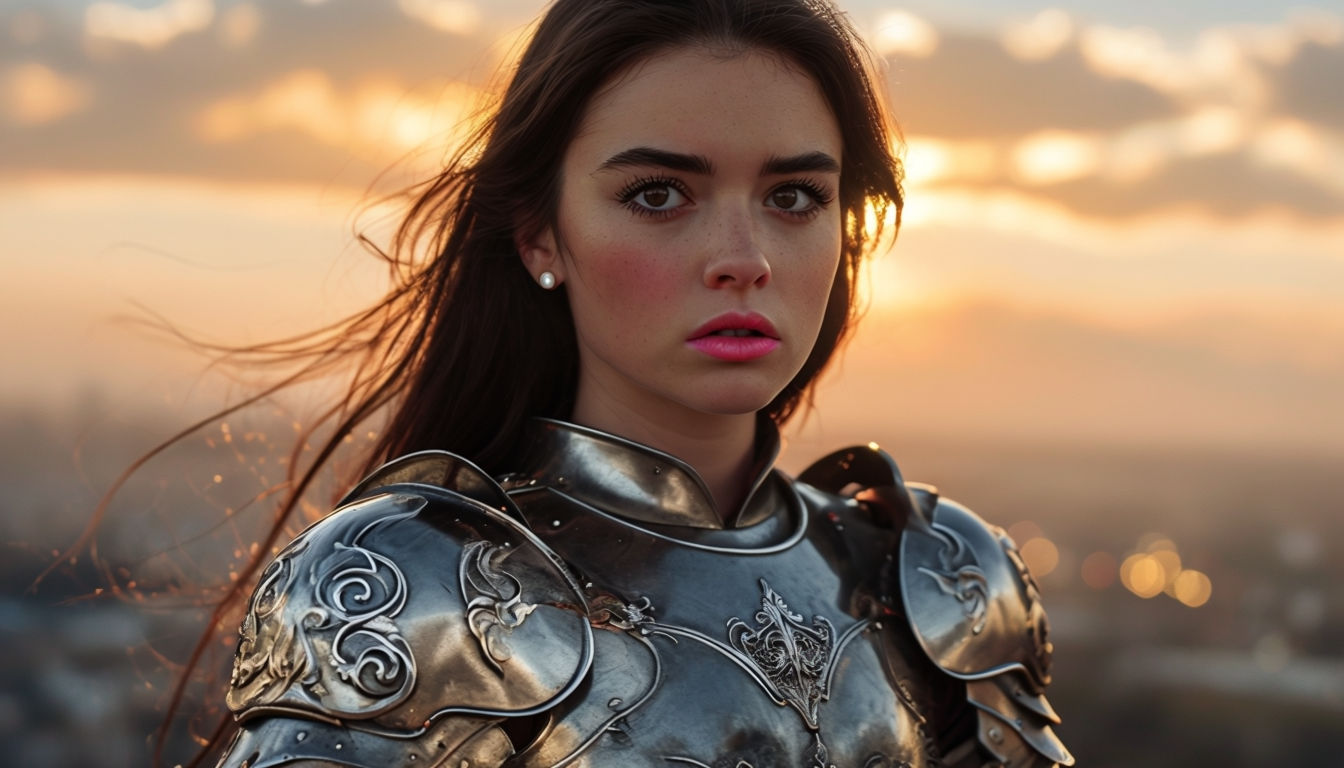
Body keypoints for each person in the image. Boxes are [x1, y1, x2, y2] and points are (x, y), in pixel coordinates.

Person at [206, 0, 1073, 766]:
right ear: (540, 234)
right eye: (659, 195)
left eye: (796, 195)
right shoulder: (414, 592)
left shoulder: (940, 585)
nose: (745, 259)